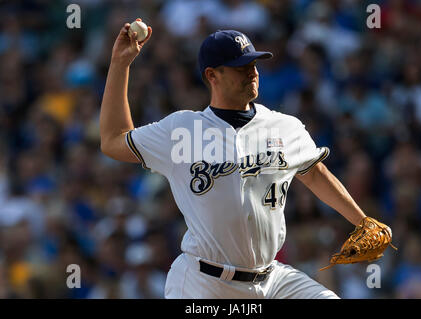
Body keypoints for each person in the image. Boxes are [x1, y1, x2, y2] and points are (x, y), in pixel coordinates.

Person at [100, 19, 373, 299]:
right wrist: (121, 65)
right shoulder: (182, 131)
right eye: (240, 68)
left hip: (274, 279)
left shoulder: (285, 126)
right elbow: (113, 140)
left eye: (253, 65)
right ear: (212, 75)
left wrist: (363, 221)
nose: (251, 73)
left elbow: (315, 174)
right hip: (204, 283)